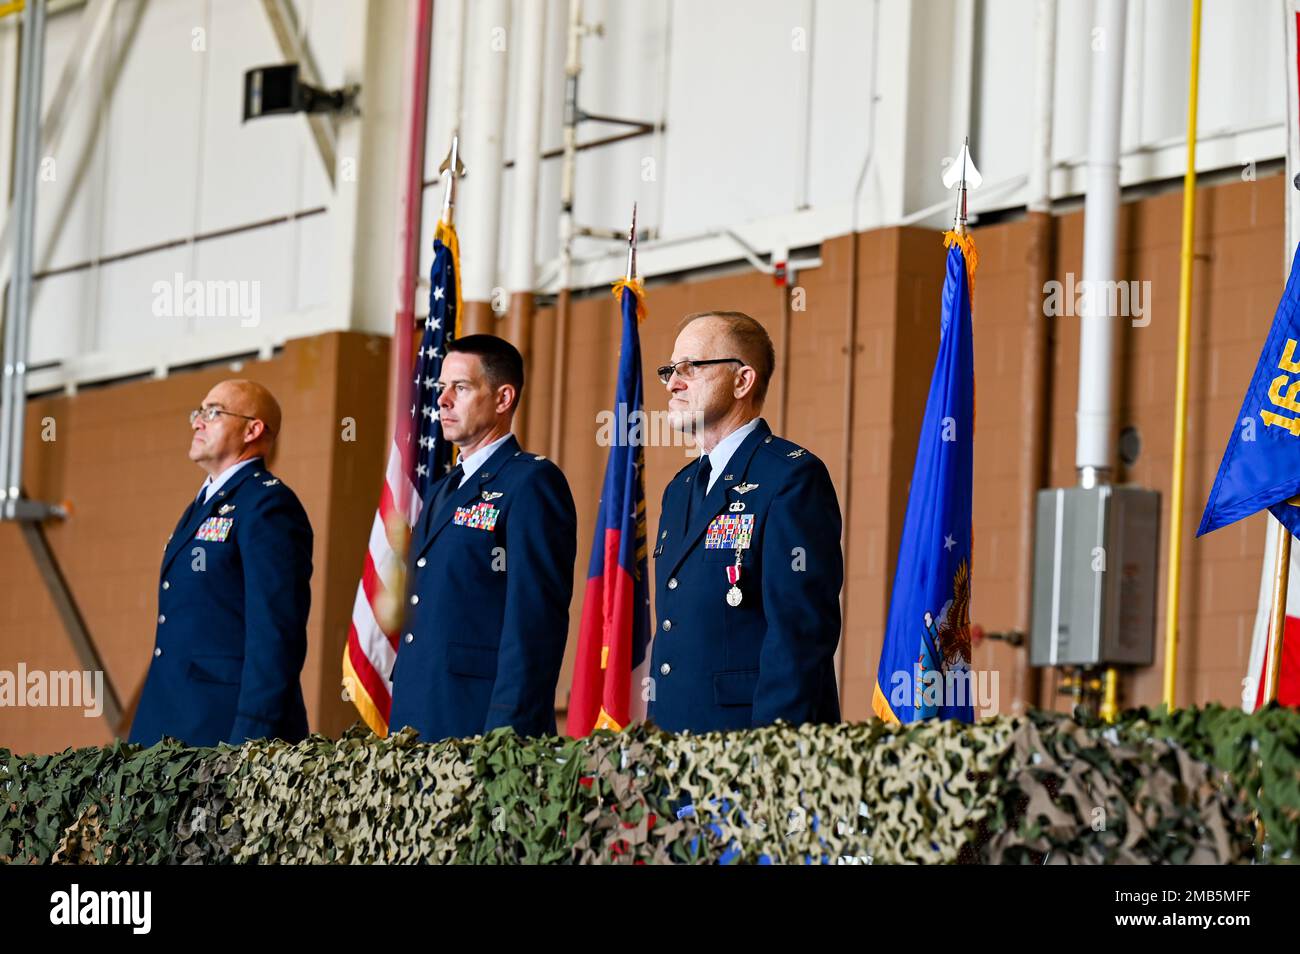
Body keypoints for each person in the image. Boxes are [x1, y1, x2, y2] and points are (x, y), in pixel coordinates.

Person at [649, 311, 843, 733]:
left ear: (742, 380)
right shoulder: (680, 488)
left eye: (691, 368)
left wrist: (768, 753)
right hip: (673, 742)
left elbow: (799, 634)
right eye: (669, 370)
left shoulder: (790, 477)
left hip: (746, 744)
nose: (672, 384)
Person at [389, 335, 577, 742]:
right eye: (442, 388)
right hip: (417, 718)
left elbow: (534, 621)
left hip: (480, 724)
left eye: (461, 387)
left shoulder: (531, 482)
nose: (443, 400)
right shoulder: (442, 490)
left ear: (503, 397)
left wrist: (506, 736)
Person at [129, 379, 312, 747]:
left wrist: (250, 739)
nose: (198, 422)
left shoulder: (267, 506)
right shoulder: (203, 504)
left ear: (252, 429)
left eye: (212, 413)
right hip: (169, 727)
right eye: (198, 413)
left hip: (223, 730)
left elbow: (275, 633)